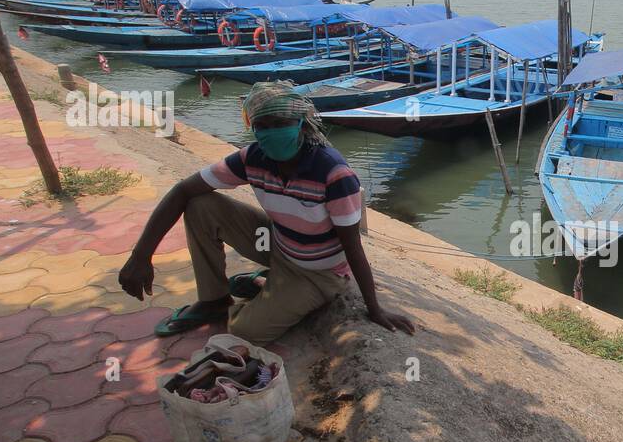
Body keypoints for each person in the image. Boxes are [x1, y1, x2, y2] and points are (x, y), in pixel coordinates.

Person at [118, 81, 414, 343]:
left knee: (246, 332)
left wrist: (374, 307)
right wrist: (141, 255)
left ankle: (267, 286)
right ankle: (214, 300)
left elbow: (353, 246)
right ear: (253, 127)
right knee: (201, 204)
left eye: (280, 123)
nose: (271, 132)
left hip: (318, 272)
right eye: (263, 125)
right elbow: (183, 190)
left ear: (301, 123)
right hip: (277, 243)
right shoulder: (251, 158)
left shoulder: (333, 174)